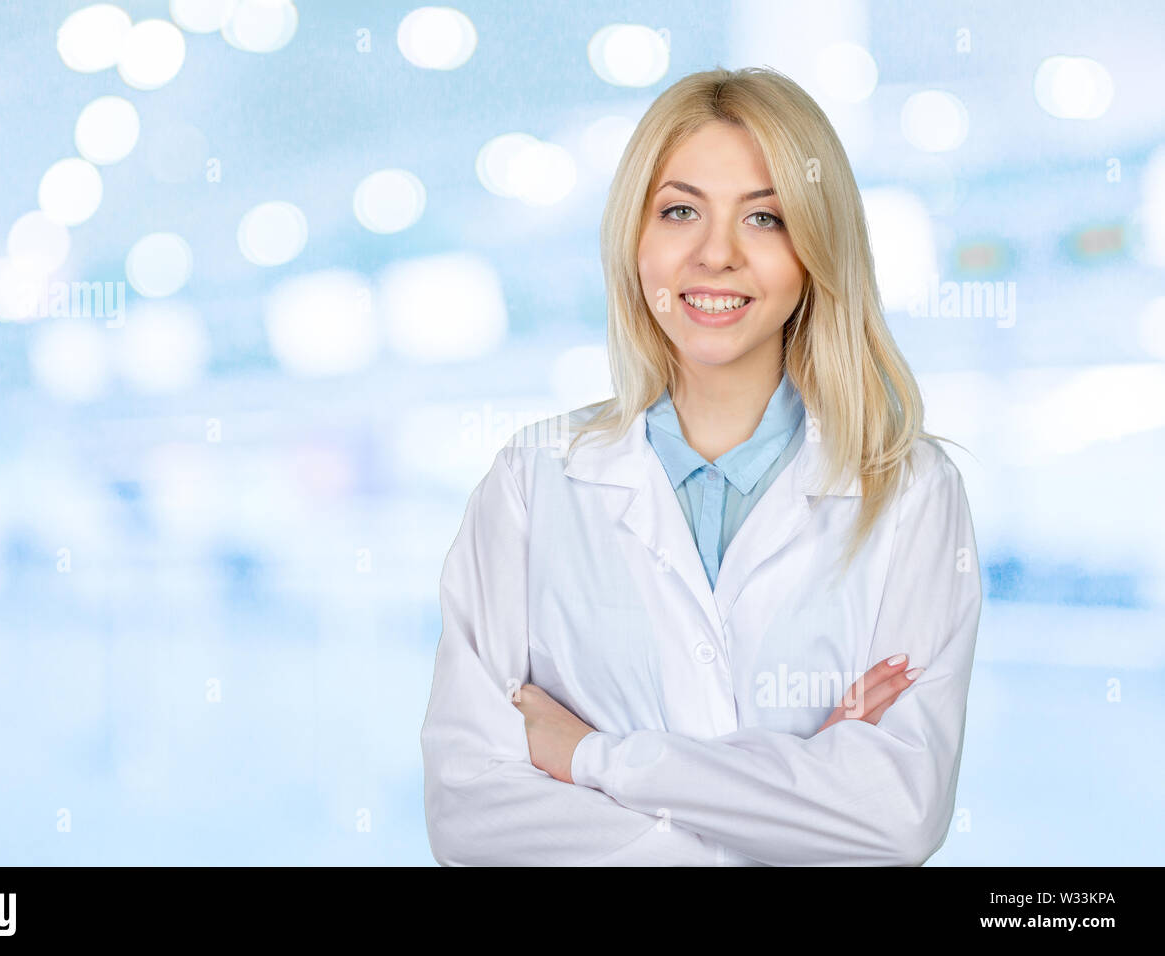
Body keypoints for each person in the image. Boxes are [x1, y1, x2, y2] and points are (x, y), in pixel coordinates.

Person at [420, 66, 983, 866]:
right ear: (635, 239)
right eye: (679, 211)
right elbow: (470, 816)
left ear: (818, 246)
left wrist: (592, 759)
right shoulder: (532, 481)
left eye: (765, 216)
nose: (715, 254)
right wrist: (791, 806)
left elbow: (895, 818)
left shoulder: (910, 489)